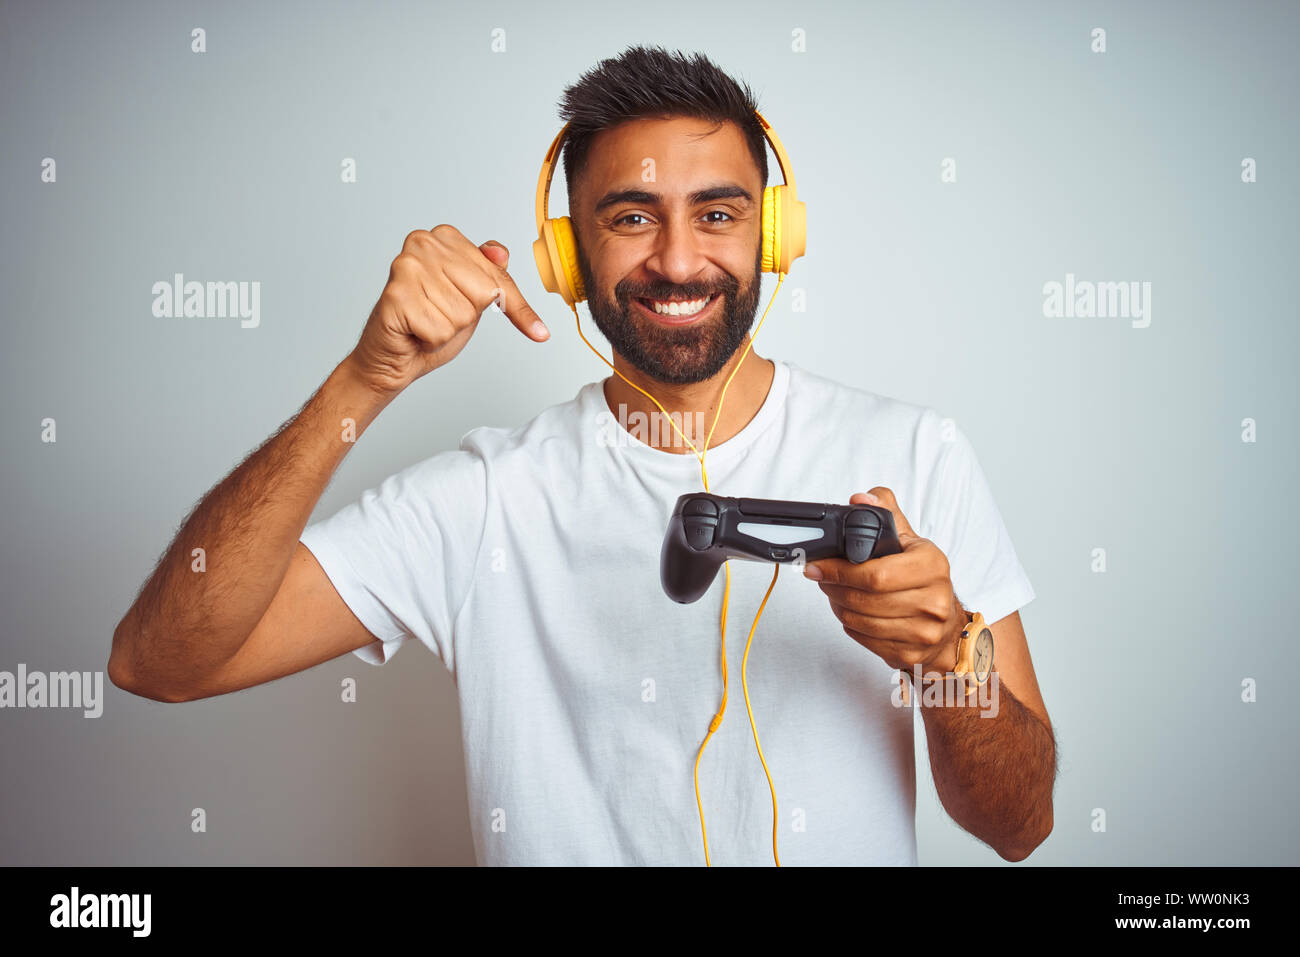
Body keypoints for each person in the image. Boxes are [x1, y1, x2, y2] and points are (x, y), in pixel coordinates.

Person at [109, 45, 1056, 866]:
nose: (677, 261)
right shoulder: (484, 499)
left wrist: (947, 655)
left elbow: (1020, 825)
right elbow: (160, 662)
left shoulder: (915, 452)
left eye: (717, 214)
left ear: (774, 235)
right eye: (632, 217)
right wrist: (365, 379)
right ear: (567, 256)